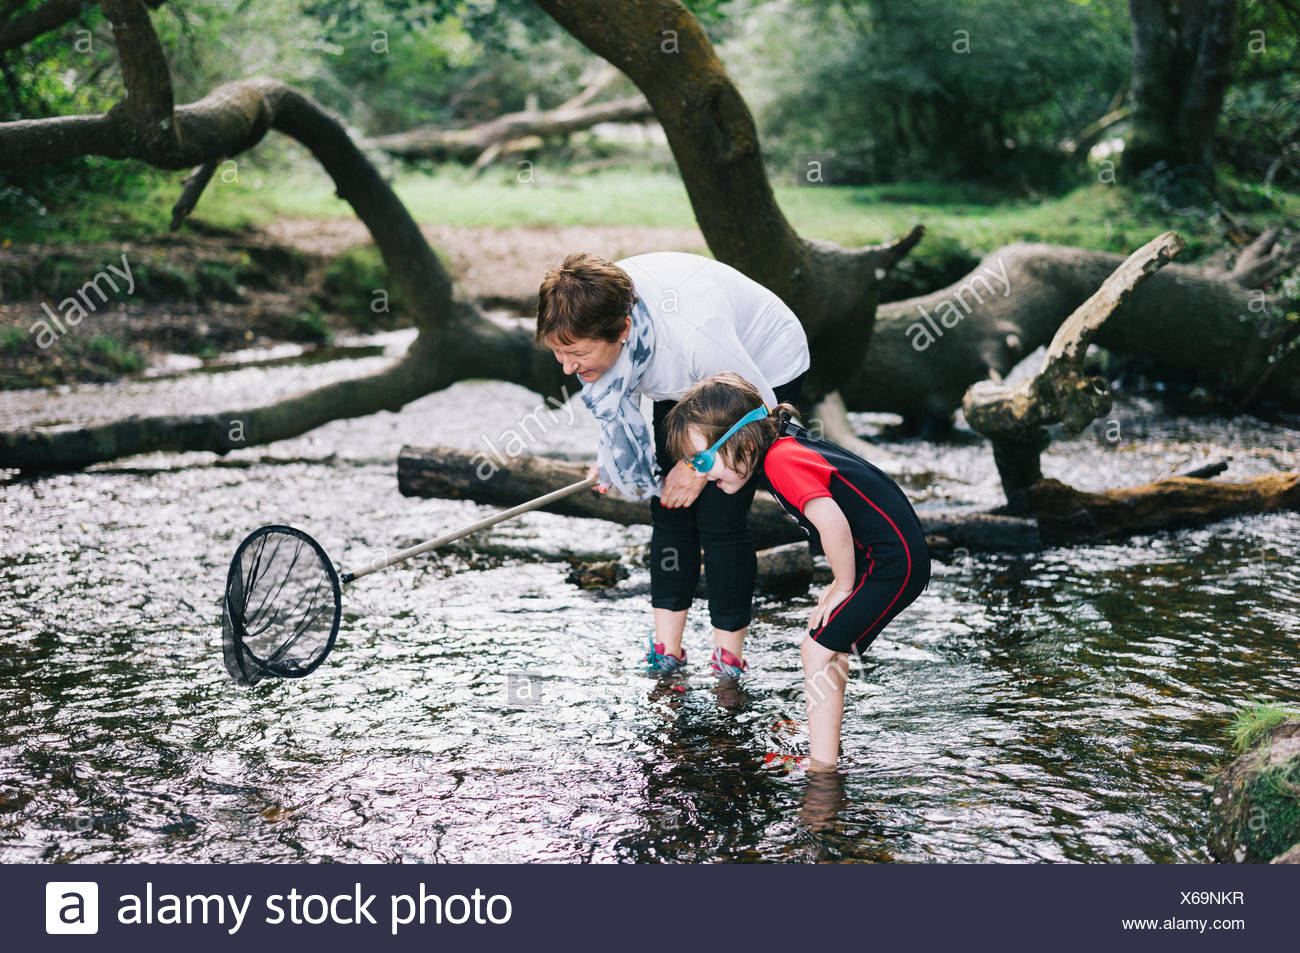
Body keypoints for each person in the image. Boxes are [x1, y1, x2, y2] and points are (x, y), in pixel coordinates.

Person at [535, 251, 809, 678]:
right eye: (558, 353)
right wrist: (611, 458)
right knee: (670, 509)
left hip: (760, 376)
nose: (568, 367)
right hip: (687, 378)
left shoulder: (695, 338)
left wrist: (698, 464)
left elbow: (761, 409)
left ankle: (728, 660)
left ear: (623, 331)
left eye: (577, 354)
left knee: (721, 518)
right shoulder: (594, 312)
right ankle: (668, 652)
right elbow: (615, 402)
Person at [663, 372, 930, 770]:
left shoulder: (782, 461)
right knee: (826, 646)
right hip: (891, 558)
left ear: (745, 443)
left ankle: (822, 767)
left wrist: (842, 584)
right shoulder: (784, 444)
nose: (700, 473)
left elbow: (834, 523)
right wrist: (840, 583)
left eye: (702, 460)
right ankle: (823, 744)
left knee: (817, 650)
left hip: (892, 565)